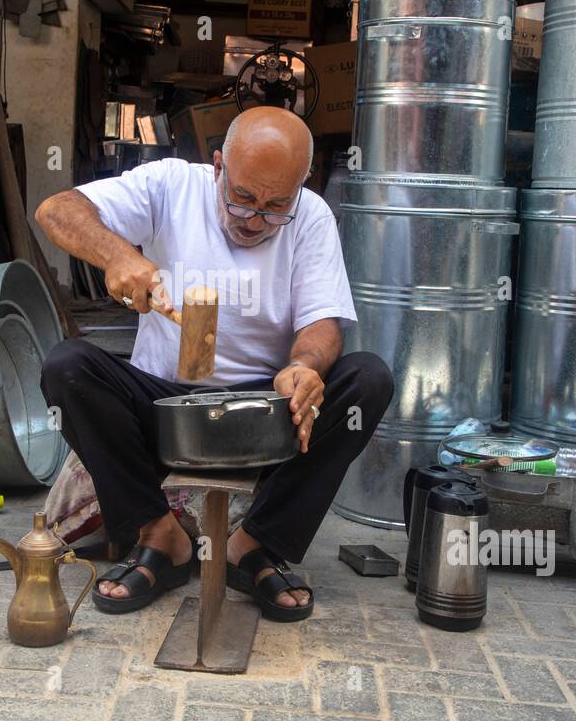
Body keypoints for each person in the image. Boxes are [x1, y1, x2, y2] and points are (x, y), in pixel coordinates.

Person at [35, 106, 392, 621]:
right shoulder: (170, 185)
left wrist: (305, 366)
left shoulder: (311, 215)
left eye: (274, 207)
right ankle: (161, 538)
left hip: (262, 413)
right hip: (162, 404)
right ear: (219, 166)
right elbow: (56, 211)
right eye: (243, 198)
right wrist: (116, 255)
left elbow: (323, 324)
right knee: (68, 366)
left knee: (368, 378)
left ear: (300, 186)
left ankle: (253, 546)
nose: (254, 219)